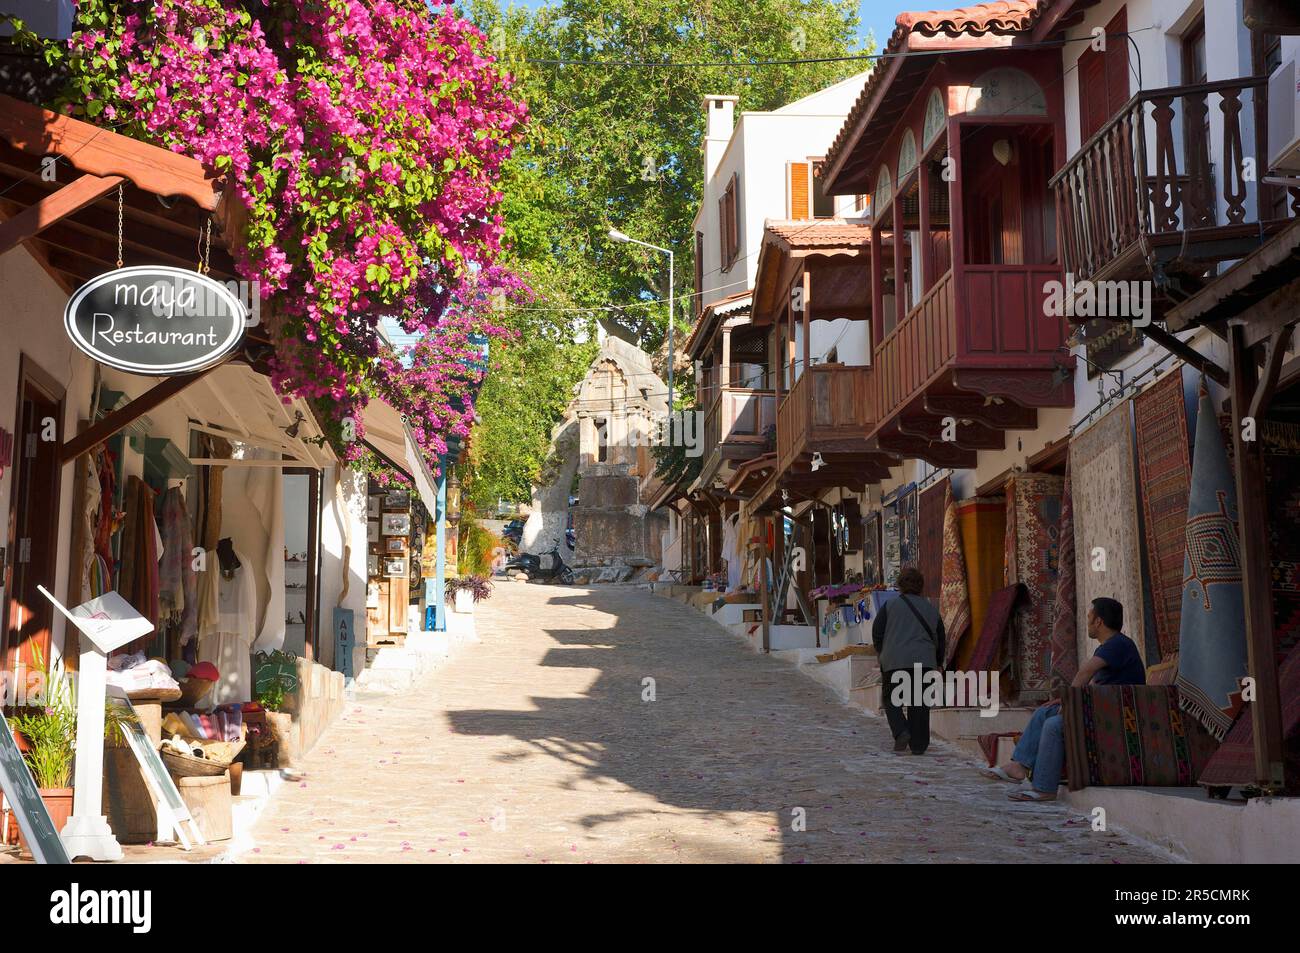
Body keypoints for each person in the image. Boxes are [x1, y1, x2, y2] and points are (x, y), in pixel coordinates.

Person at [981, 596, 1145, 801]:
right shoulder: (1113, 646)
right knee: (1044, 712)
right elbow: (1099, 685)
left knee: (1055, 725)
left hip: (1114, 716)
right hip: (1103, 708)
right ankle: (1018, 766)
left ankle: (1044, 788)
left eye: (1089, 617)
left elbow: (1086, 672)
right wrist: (1063, 701)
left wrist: (1070, 702)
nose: (1087, 622)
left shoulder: (1117, 644)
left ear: (1099, 621)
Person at [873, 567, 945, 755]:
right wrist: (938, 661)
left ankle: (901, 731)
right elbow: (940, 637)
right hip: (924, 661)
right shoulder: (931, 609)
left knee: (891, 699)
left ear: (900, 585)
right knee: (919, 702)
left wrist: (883, 652)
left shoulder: (889, 607)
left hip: (894, 661)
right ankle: (919, 744)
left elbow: (877, 632)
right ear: (921, 586)